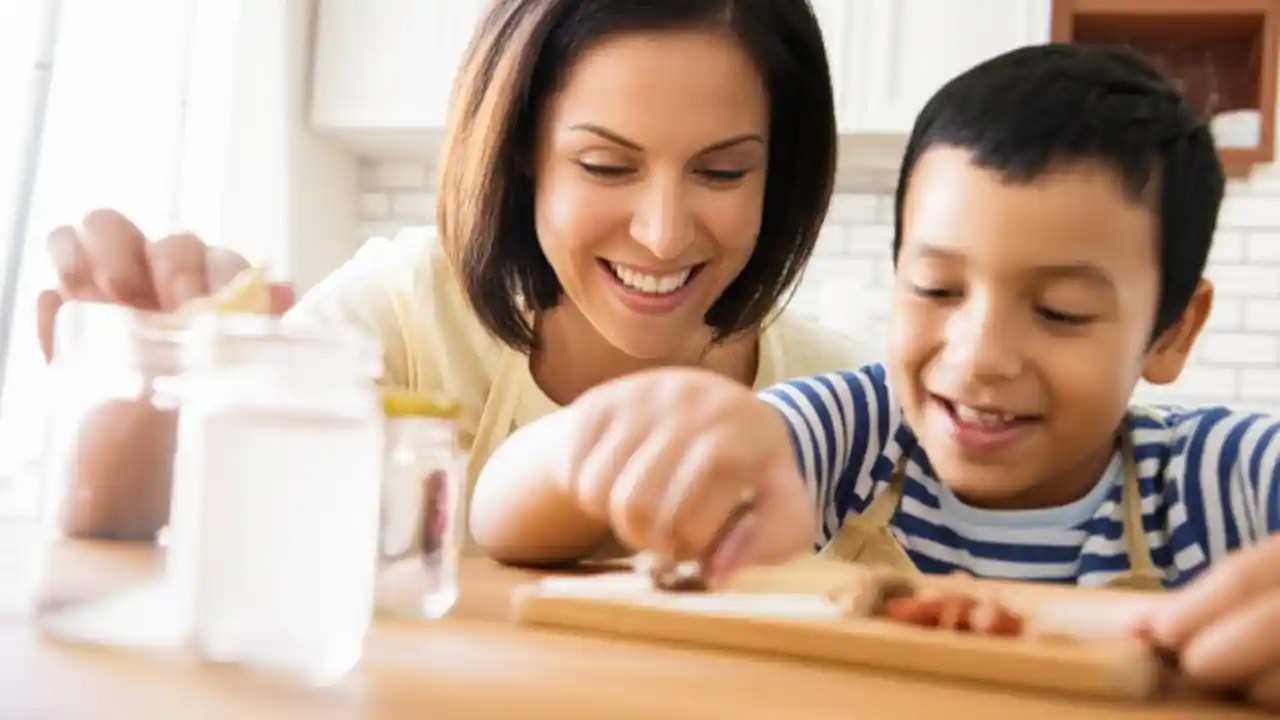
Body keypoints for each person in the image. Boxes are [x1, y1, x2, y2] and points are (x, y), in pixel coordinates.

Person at [470, 43, 1280, 705]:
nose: (979, 355)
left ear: (1171, 330)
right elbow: (502, 519)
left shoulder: (1218, 479)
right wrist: (619, 438)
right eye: (936, 290)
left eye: (1061, 312)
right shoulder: (852, 436)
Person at [37, 0, 868, 544]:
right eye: (606, 167)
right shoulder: (397, 318)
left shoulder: (843, 400)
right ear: (520, 157)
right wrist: (139, 398)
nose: (660, 234)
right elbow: (160, 532)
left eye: (722, 173)